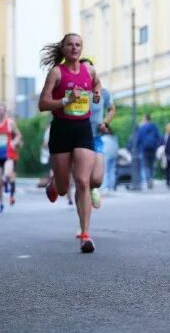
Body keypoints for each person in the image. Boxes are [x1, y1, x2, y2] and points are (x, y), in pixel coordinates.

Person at [39, 33, 102, 253]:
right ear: (64, 48)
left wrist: (96, 93)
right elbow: (43, 103)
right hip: (62, 129)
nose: (74, 48)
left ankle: (85, 235)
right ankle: (55, 184)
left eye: (78, 45)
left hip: (83, 129)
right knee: (65, 188)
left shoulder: (89, 71)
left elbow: (97, 84)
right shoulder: (57, 72)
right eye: (70, 45)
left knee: (83, 181)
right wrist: (66, 100)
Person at [82, 57, 115, 208]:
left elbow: (112, 109)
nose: (88, 71)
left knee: (97, 179)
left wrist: (105, 122)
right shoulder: (74, 92)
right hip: (78, 139)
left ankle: (92, 188)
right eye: (84, 68)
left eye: (90, 68)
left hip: (96, 138)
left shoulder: (103, 93)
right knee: (81, 179)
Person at [135, 114, 162, 189]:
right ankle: (151, 178)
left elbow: (138, 139)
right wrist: (157, 146)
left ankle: (148, 179)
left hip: (144, 149)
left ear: (145, 119)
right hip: (153, 149)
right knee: (152, 164)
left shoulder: (142, 128)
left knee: (146, 165)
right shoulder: (154, 127)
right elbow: (159, 138)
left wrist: (137, 148)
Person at [100, 124, 119, 192]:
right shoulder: (114, 138)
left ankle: (105, 187)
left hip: (106, 155)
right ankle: (111, 187)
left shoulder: (103, 138)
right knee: (112, 171)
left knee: (106, 171)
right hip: (114, 155)